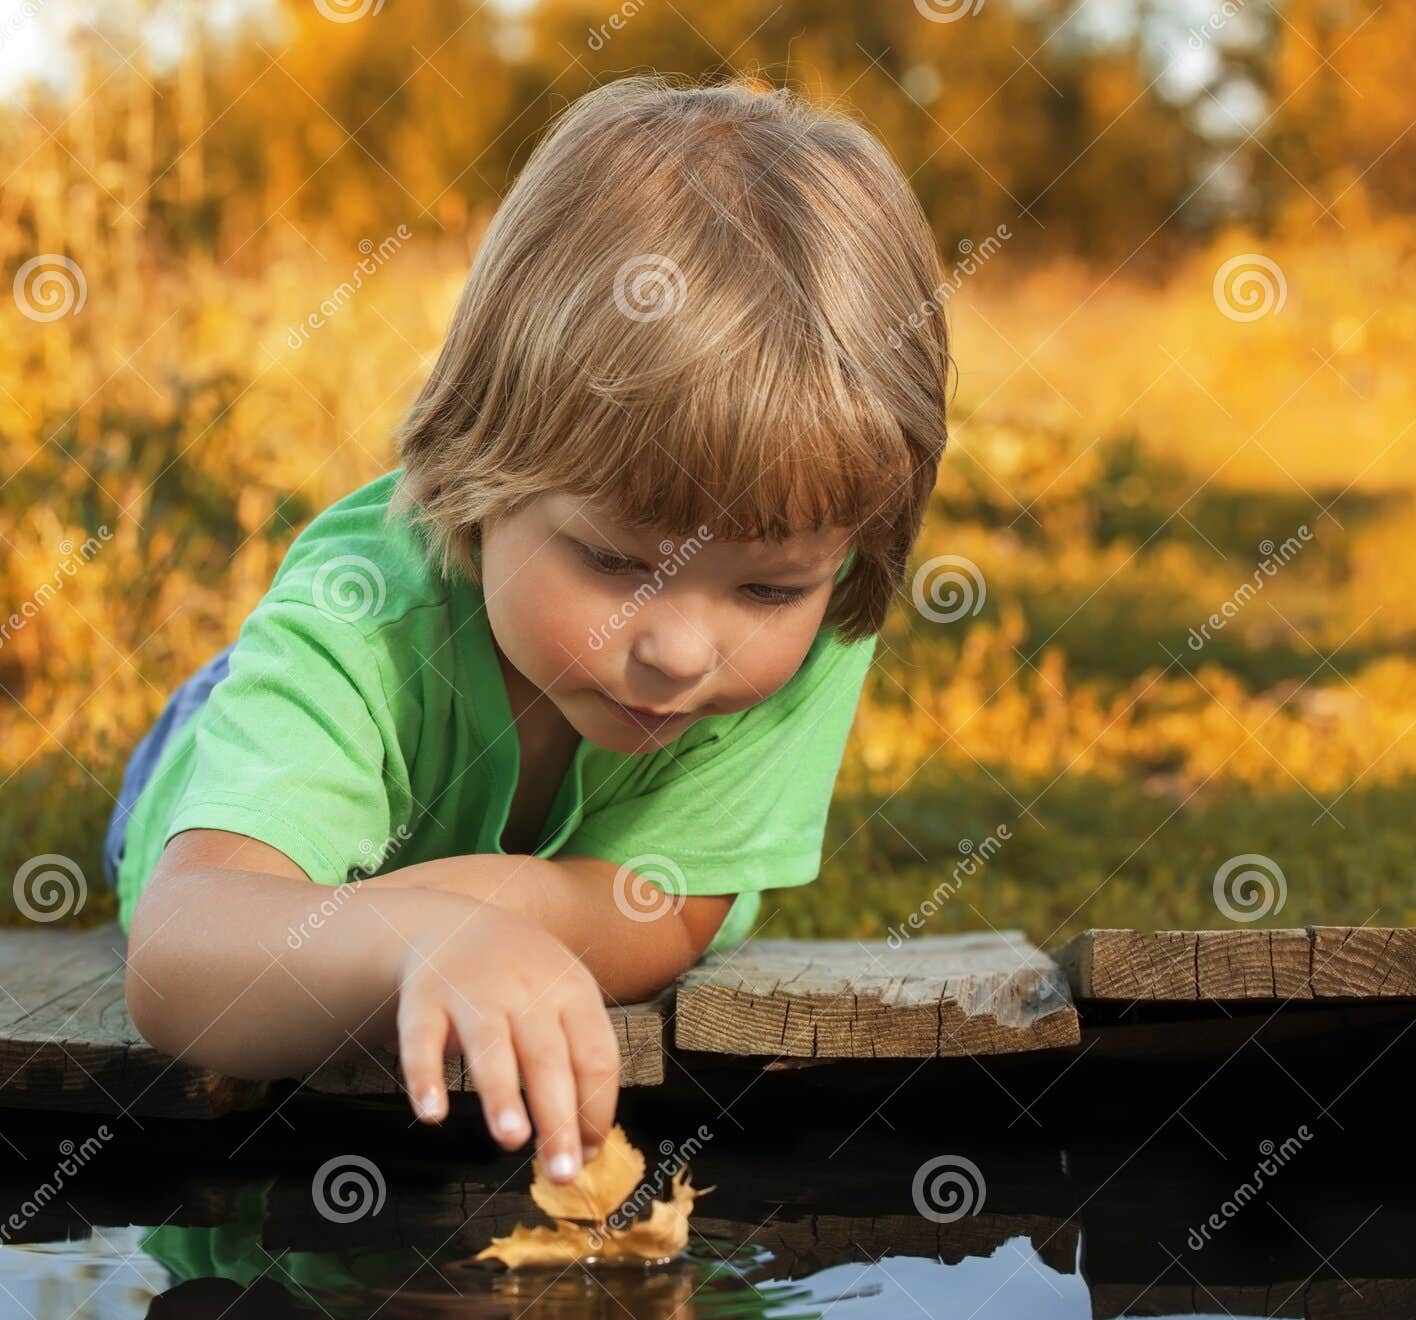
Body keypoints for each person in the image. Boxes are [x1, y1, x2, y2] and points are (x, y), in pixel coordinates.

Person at [108, 73, 950, 1182]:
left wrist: (480, 914)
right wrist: (424, 939)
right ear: (476, 466)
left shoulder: (813, 605)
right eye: (614, 562)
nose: (681, 649)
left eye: (764, 592)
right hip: (210, 748)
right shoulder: (363, 620)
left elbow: (664, 915)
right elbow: (183, 960)